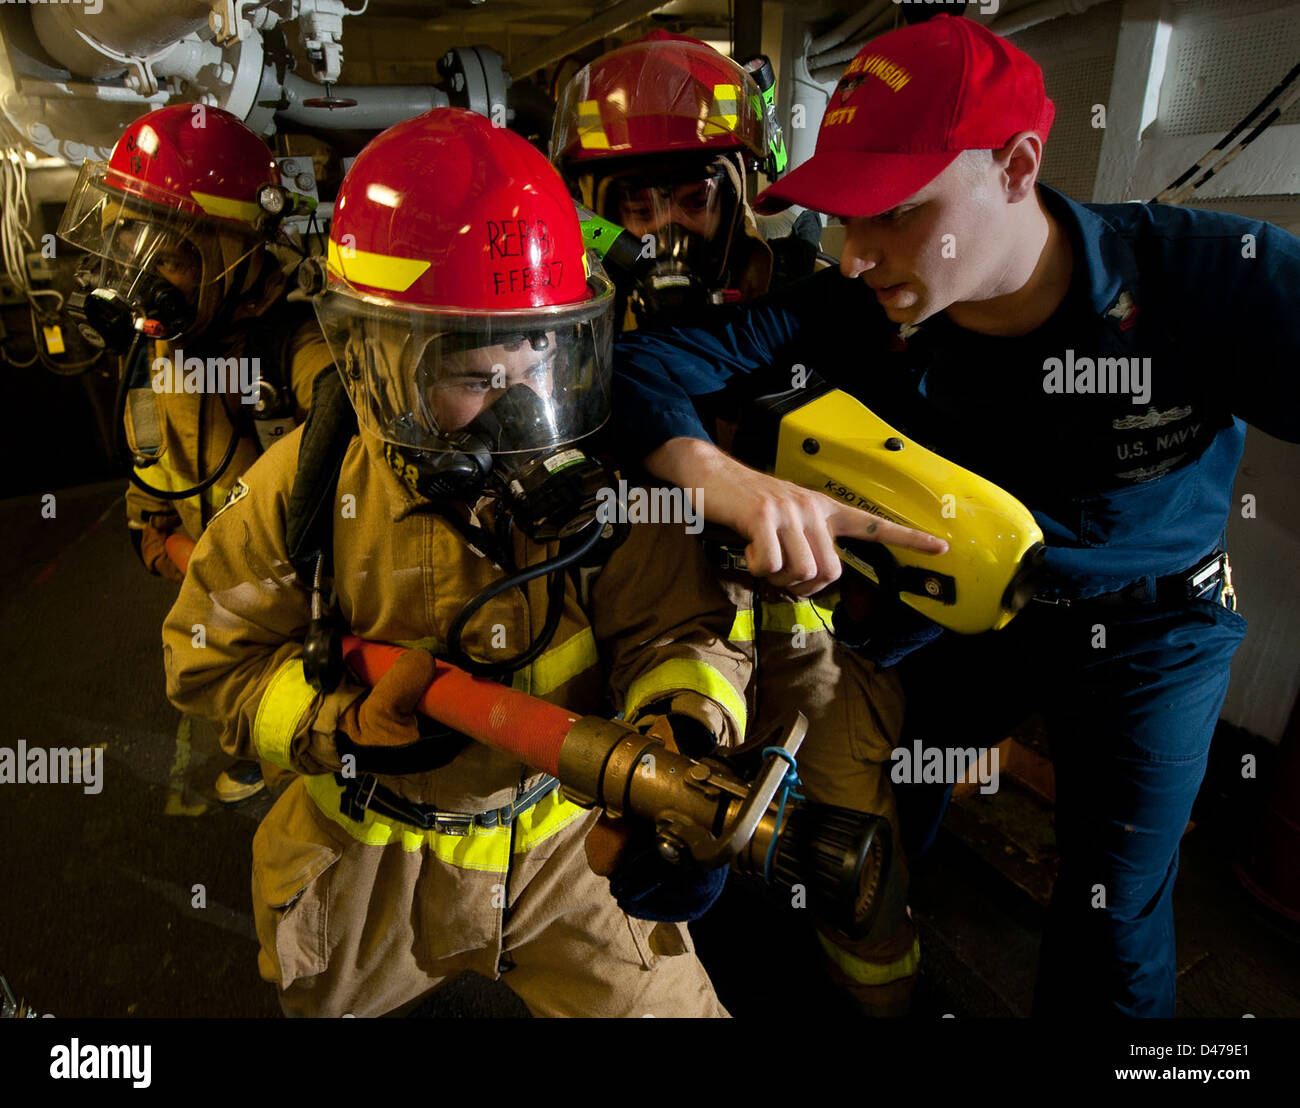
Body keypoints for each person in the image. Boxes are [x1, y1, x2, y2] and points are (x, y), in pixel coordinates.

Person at [610, 13, 1300, 1017]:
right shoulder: (854, 308)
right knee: (884, 819)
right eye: (844, 218)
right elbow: (646, 367)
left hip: (1150, 626)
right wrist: (718, 474)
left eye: (891, 211)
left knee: (1108, 918)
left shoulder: (1203, 278)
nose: (853, 254)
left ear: (1016, 166)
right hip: (957, 615)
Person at [161, 107, 750, 1017]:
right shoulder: (301, 493)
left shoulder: (606, 487)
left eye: (540, 363)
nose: (523, 411)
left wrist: (681, 727)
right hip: (368, 865)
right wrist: (339, 723)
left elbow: (682, 628)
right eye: (478, 379)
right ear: (376, 363)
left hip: (563, 858)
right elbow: (208, 664)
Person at [553, 31, 940, 1013]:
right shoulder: (577, 336)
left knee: (858, 872)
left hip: (825, 653)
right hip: (671, 653)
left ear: (742, 187)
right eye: (633, 207)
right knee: (683, 870)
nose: (666, 232)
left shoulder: (823, 304)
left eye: (692, 197)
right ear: (593, 214)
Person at [57, 104, 331, 801]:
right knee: (235, 704)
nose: (143, 274)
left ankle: (295, 766)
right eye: (131, 243)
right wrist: (168, 552)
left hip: (297, 616)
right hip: (210, 602)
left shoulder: (297, 344)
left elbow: (344, 449)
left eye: (170, 252)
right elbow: (149, 489)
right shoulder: (160, 349)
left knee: (313, 761)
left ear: (235, 252)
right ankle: (256, 744)